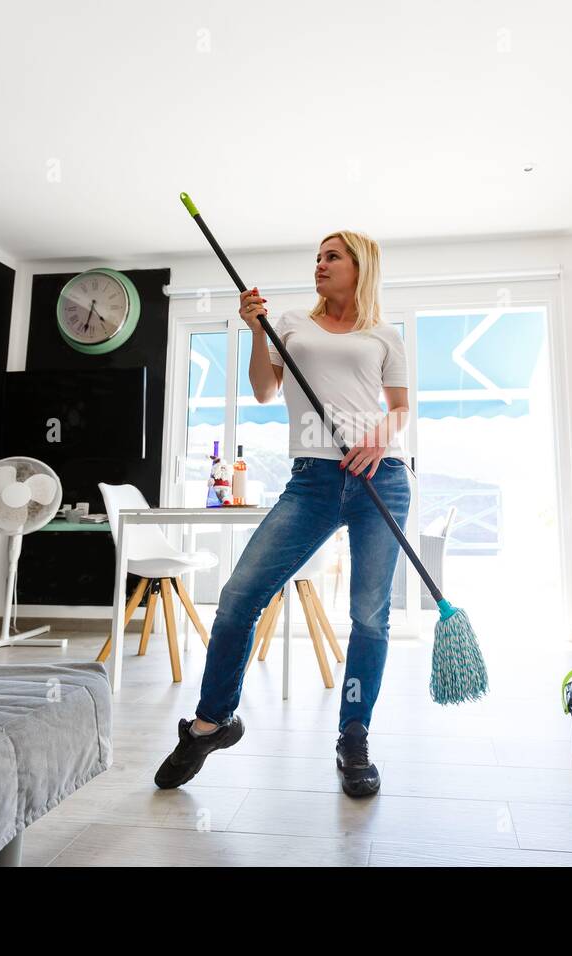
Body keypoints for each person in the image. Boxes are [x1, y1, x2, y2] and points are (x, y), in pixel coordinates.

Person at [155, 229, 411, 797]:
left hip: (381, 478)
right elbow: (266, 391)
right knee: (239, 598)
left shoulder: (385, 333)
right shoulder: (290, 322)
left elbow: (400, 409)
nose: (320, 264)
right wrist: (253, 330)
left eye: (332, 256)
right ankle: (212, 722)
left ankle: (353, 733)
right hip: (313, 480)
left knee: (369, 617)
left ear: (360, 265)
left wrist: (377, 437)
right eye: (318, 256)